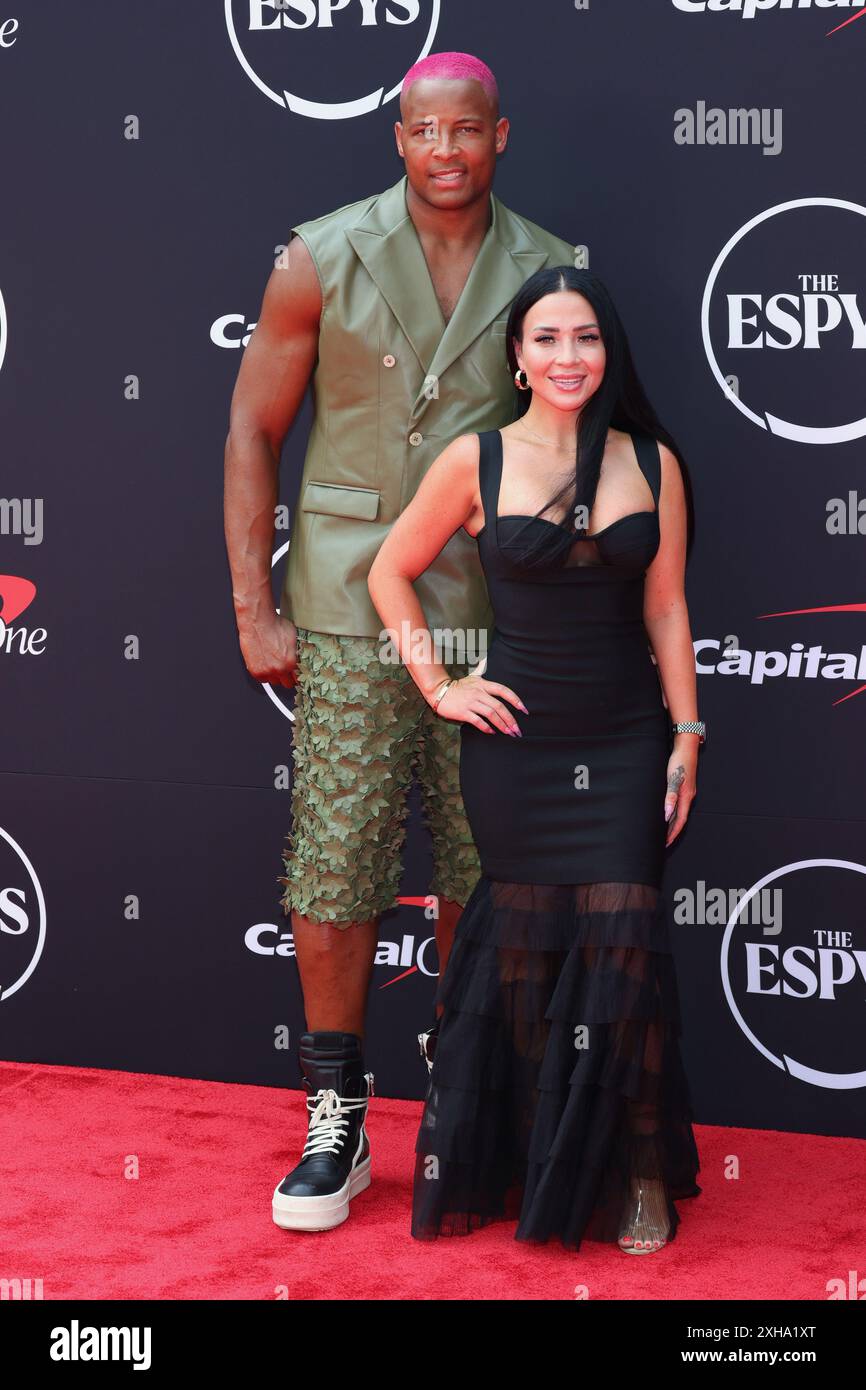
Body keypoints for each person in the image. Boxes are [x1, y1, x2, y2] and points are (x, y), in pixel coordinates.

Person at [222, 51, 579, 1232]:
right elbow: (253, 428)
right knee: (335, 862)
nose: (445, 152)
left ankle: (469, 1100)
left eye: (465, 132)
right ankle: (337, 1113)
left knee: (484, 872)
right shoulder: (317, 253)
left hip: (493, 613)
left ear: (498, 136)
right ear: (397, 138)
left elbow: (576, 454)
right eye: (424, 132)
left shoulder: (546, 269)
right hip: (341, 606)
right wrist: (251, 605)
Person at [367, 266, 704, 1255]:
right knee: (523, 958)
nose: (568, 357)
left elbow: (666, 605)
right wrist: (438, 687)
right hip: (516, 746)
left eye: (586, 337)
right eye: (547, 338)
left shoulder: (650, 461)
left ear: (608, 353)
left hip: (626, 738)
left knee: (623, 953)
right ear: (515, 356)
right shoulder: (471, 460)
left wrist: (686, 733)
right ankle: (530, 1159)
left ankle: (640, 1174)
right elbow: (389, 569)